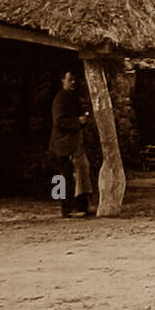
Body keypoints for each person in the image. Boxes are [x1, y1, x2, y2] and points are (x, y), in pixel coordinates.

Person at [49, 71, 92, 217]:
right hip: (62, 143)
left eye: (74, 80)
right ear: (63, 81)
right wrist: (77, 121)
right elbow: (59, 121)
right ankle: (64, 208)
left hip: (73, 142)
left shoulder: (73, 98)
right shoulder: (60, 99)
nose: (73, 82)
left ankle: (80, 206)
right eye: (70, 80)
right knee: (62, 177)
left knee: (79, 174)